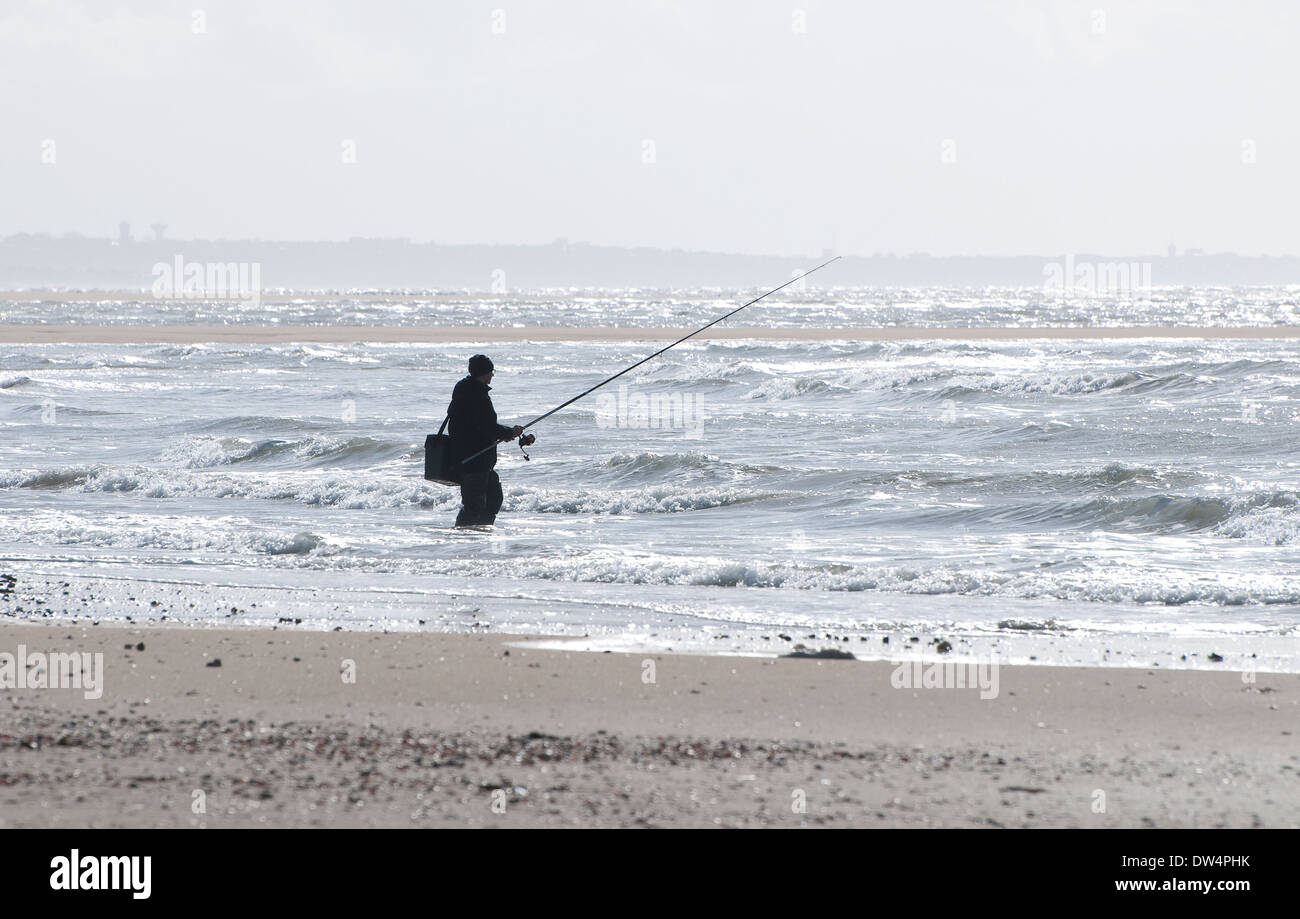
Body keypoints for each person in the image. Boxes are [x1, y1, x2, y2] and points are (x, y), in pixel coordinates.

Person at [447, 354, 523, 527]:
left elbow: (480, 426)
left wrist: (505, 434)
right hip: (474, 461)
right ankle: (462, 538)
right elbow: (486, 426)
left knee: (494, 497)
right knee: (474, 506)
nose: (492, 375)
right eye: (491, 371)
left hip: (473, 459)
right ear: (484, 373)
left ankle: (480, 535)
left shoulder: (465, 390)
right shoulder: (476, 395)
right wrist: (510, 431)